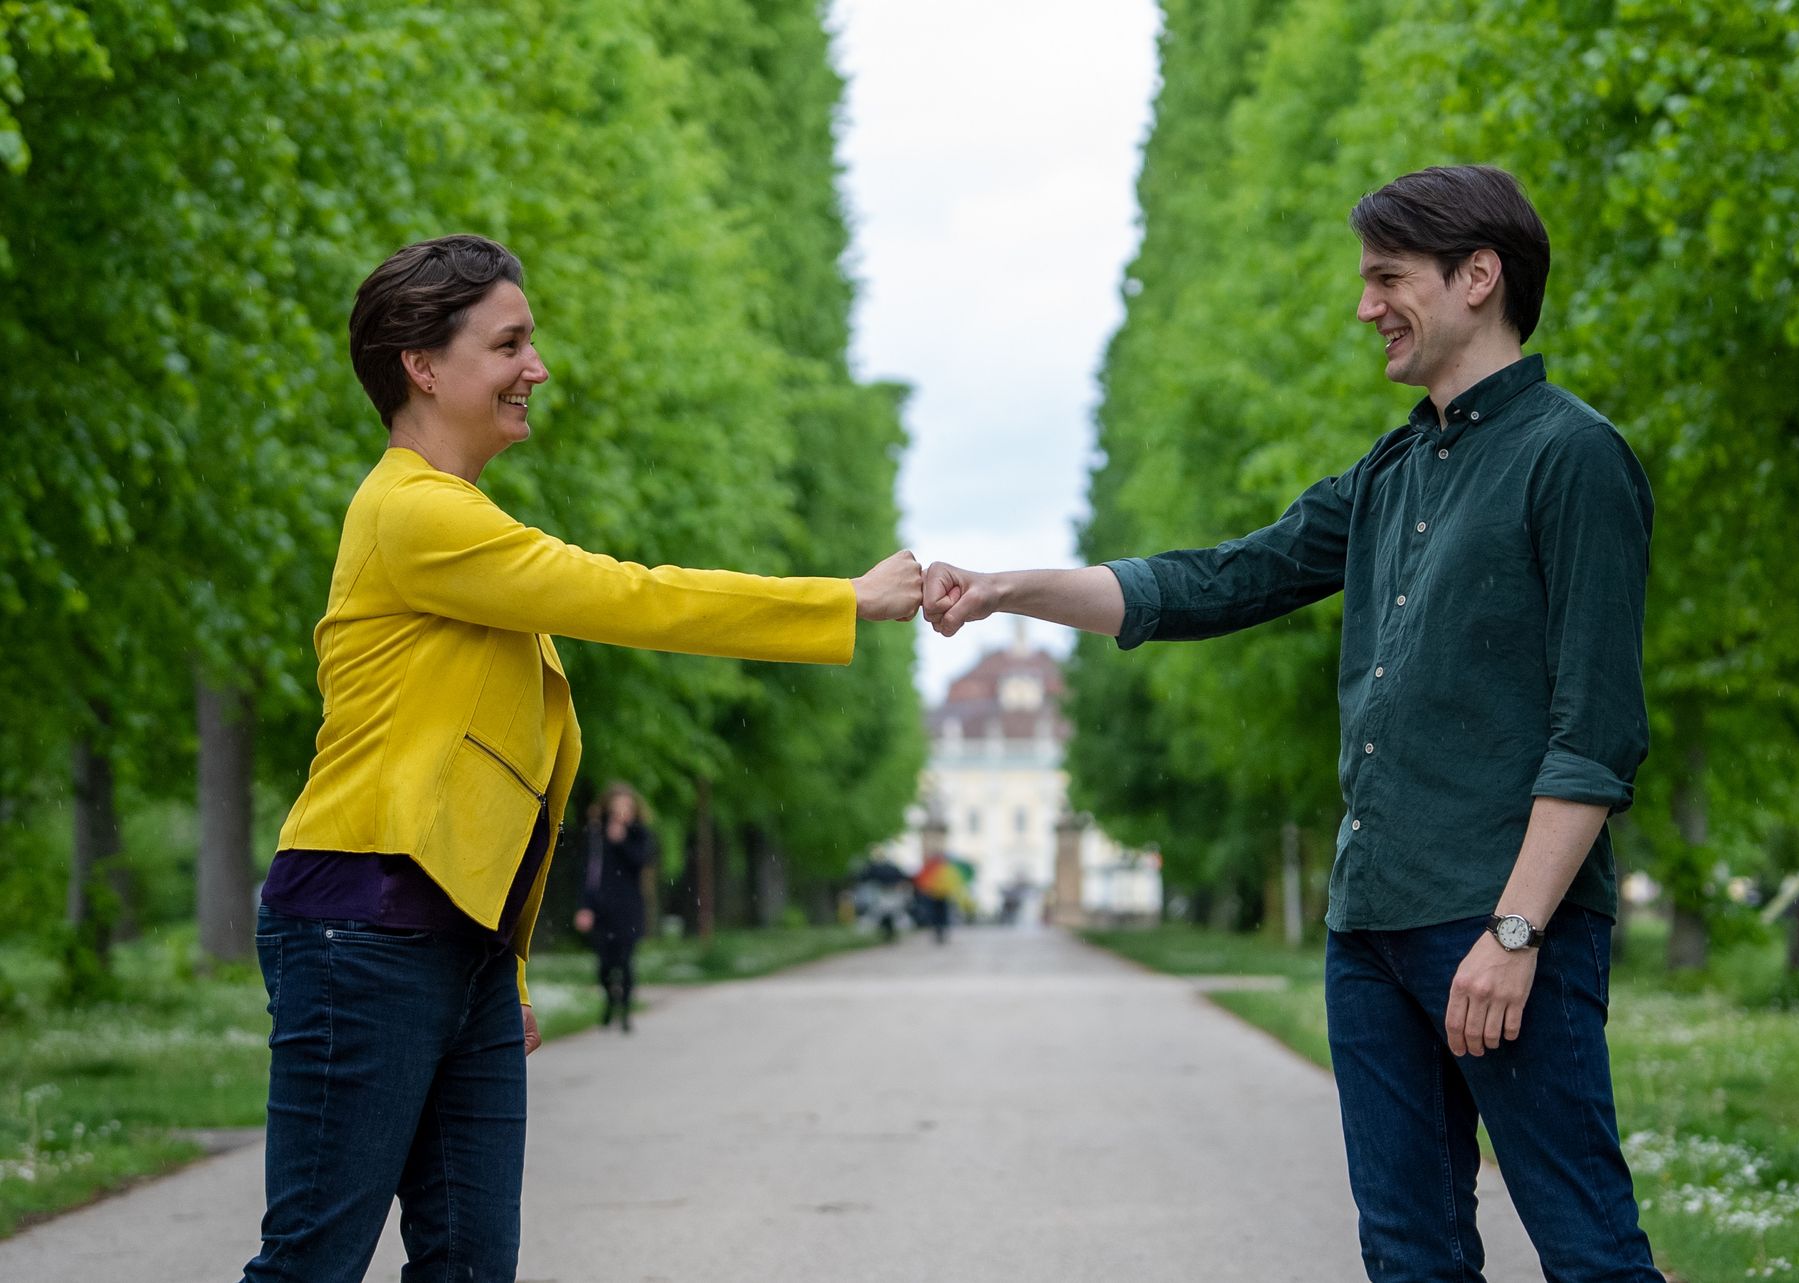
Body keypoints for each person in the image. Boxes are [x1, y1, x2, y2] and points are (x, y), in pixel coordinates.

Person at [923, 166, 1662, 1281]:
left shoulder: (1573, 456)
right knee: (1410, 1252)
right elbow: (1217, 580)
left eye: (1387, 279)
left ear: (1478, 277)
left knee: (1589, 1246)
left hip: (1503, 925)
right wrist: (1002, 587)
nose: (1367, 306)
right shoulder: (1392, 469)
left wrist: (1515, 935)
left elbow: (1595, 732)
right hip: (1369, 926)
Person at [242, 233, 922, 1283]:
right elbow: (631, 594)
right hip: (359, 926)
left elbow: (489, 783)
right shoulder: (416, 516)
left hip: (454, 944)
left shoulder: (461, 524)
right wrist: (843, 599)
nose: (537, 367)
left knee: (470, 1265)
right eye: (510, 342)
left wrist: (504, 968)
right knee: (310, 1265)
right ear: (423, 365)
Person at [573, 781, 657, 1032]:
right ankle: (610, 1001)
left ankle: (626, 1013)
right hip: (602, 907)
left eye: (627, 806)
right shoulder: (596, 836)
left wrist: (622, 840)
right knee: (604, 964)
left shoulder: (639, 834)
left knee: (626, 960)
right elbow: (589, 873)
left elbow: (641, 862)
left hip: (629, 907)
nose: (622, 811)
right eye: (617, 806)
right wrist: (584, 906)